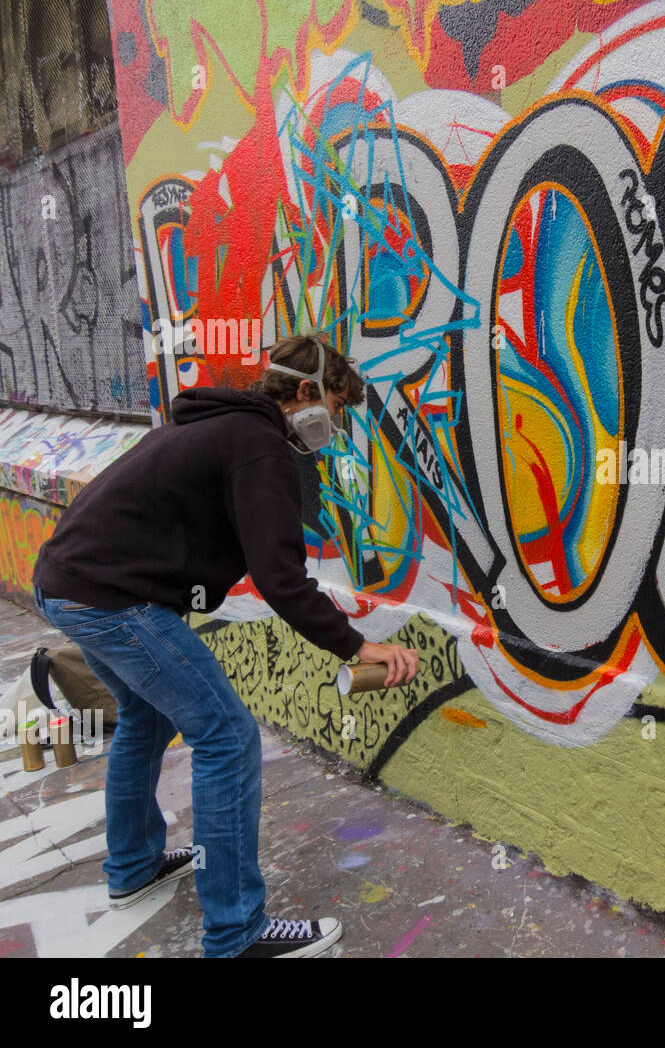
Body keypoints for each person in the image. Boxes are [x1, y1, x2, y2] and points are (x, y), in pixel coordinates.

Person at [31, 334, 420, 958]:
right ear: (304, 392)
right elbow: (281, 578)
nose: (337, 425)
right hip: (113, 600)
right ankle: (237, 935)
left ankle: (132, 869)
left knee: (145, 719)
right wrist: (355, 646)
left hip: (69, 584)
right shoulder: (258, 445)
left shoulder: (215, 425)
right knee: (227, 738)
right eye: (338, 408)